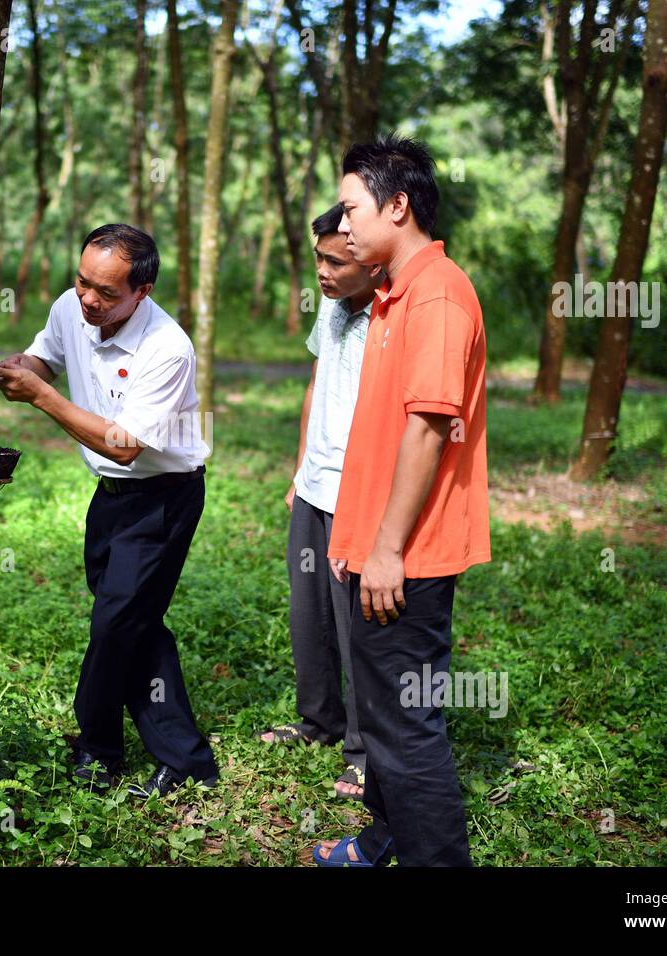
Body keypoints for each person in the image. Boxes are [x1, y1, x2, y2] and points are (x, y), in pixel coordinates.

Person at [0, 223, 219, 799]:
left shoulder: (168, 348)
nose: (89, 299)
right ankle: (187, 759)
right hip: (109, 496)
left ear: (142, 291)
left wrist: (42, 398)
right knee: (133, 623)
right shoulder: (73, 307)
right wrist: (26, 371)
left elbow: (123, 443)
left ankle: (97, 750)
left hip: (162, 497)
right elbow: (47, 357)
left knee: (115, 625)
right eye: (83, 282)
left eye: (106, 293)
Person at [312, 136, 491, 867]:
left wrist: (385, 550)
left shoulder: (439, 293)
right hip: (371, 545)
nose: (343, 226)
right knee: (385, 718)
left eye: (352, 209)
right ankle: (382, 839)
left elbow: (426, 428)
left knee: (407, 728)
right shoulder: (391, 293)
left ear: (397, 204)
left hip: (405, 556)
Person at [259, 202, 385, 802]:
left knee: (357, 627)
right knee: (309, 617)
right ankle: (320, 722)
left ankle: (365, 751)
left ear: (373, 261)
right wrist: (300, 467)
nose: (324, 273)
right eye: (319, 259)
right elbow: (318, 383)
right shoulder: (334, 311)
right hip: (315, 487)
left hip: (357, 496)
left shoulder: (392, 321)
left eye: (337, 262)